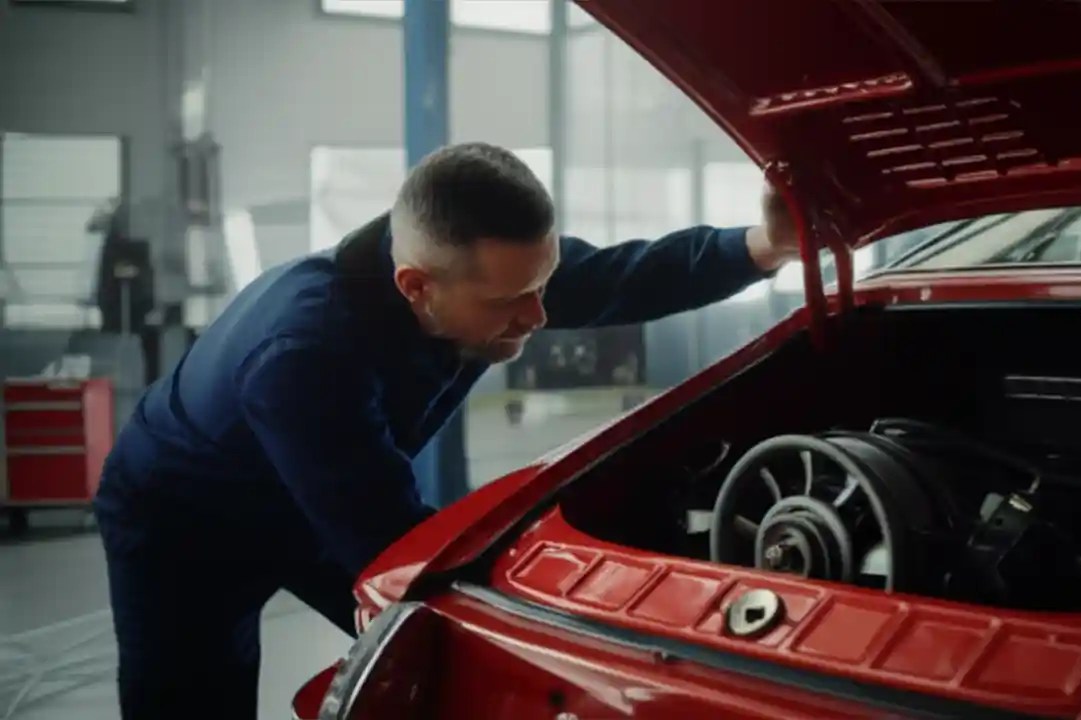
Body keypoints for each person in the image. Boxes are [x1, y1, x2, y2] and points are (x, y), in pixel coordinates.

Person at [92, 141, 798, 717]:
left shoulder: (476, 270)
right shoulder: (303, 355)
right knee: (196, 700)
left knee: (428, 657)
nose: (538, 317)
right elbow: (388, 544)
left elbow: (622, 277)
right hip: (190, 521)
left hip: (325, 488)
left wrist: (767, 244)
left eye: (542, 285)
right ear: (415, 286)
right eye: (512, 300)